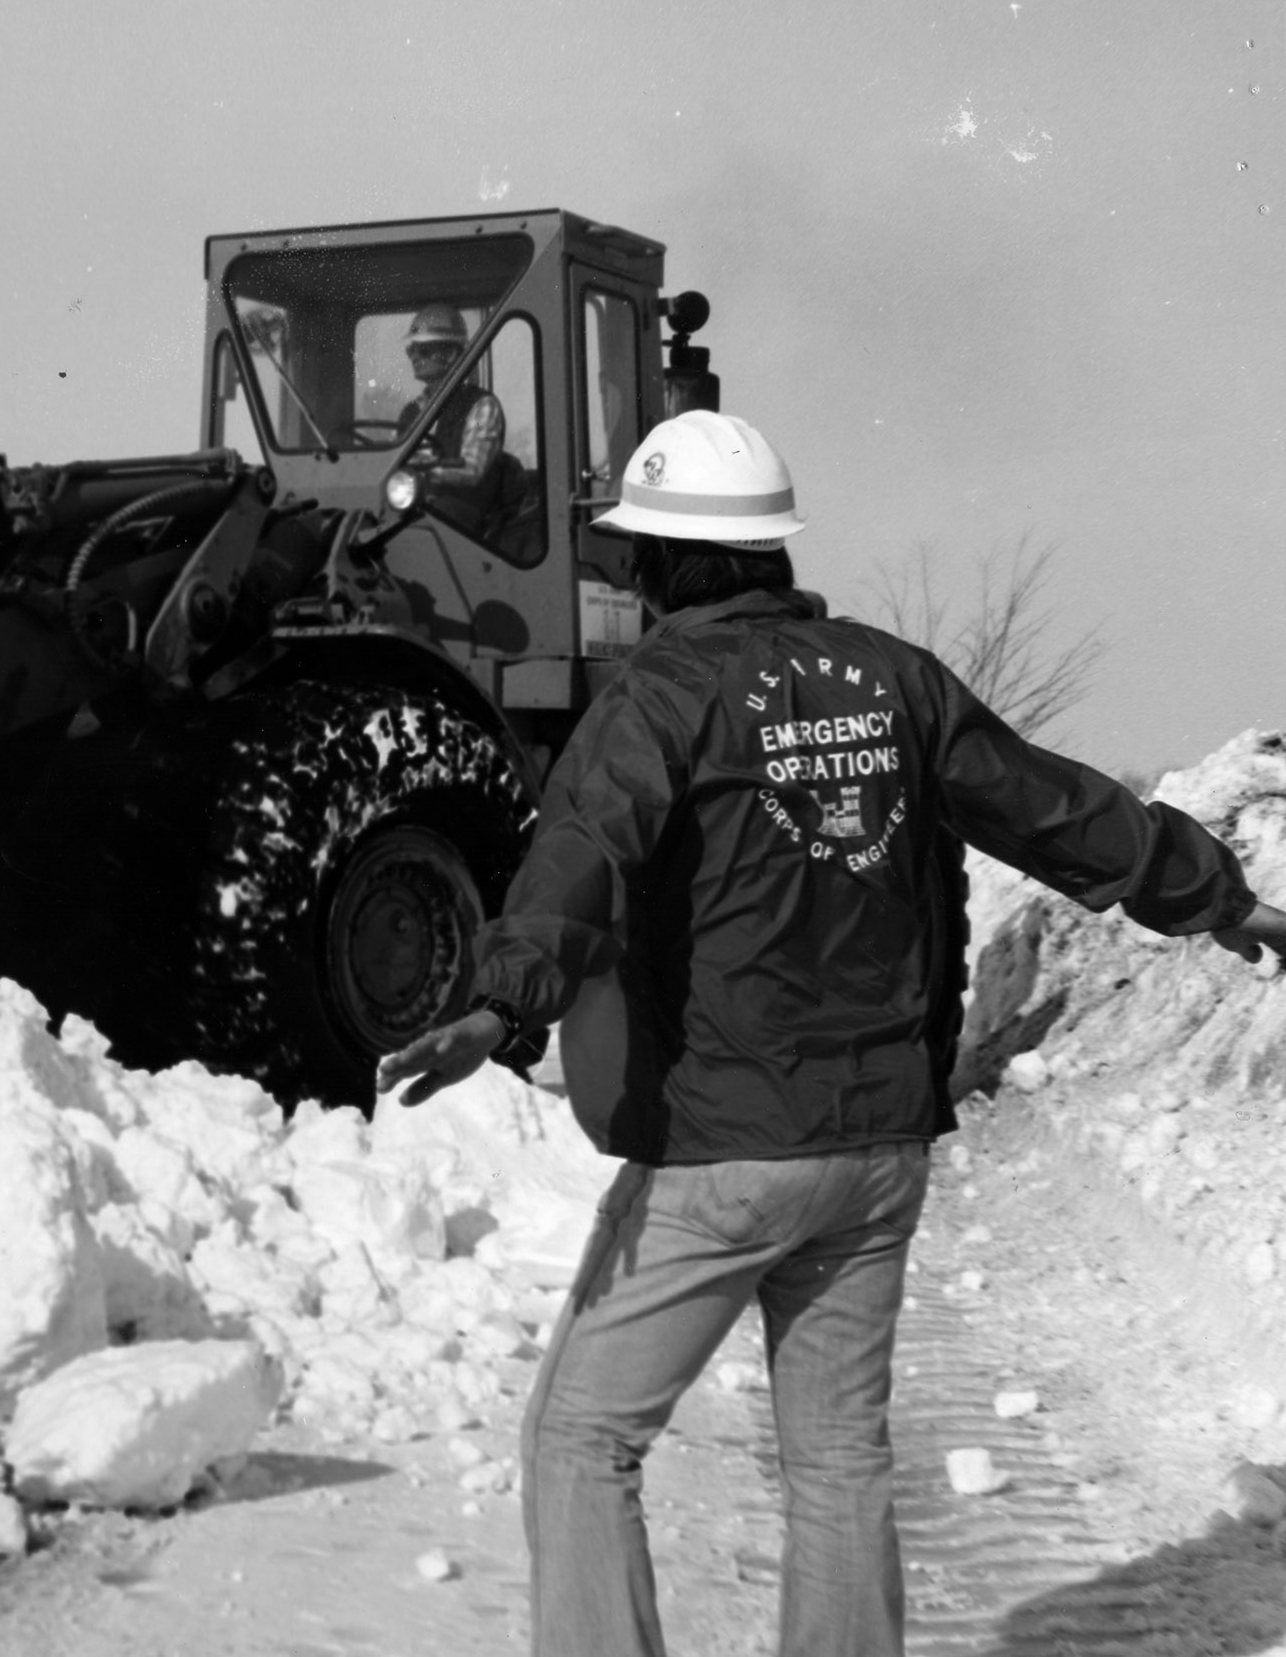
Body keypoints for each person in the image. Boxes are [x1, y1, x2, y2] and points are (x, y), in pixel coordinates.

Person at [374, 409, 1286, 1657]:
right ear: (769, 554)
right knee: (840, 1460)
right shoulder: (895, 677)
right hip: (875, 1149)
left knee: (582, 1437)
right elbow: (1051, 806)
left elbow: (580, 857)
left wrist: (498, 999)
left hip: (726, 1154)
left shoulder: (662, 693)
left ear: (654, 564)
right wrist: (1214, 895)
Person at [394, 301, 537, 556]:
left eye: (423, 349)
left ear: (450, 354)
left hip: (466, 515)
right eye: (411, 350)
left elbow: (473, 470)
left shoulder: (482, 407)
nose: (414, 356)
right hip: (419, 506)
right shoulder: (410, 413)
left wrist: (421, 476)